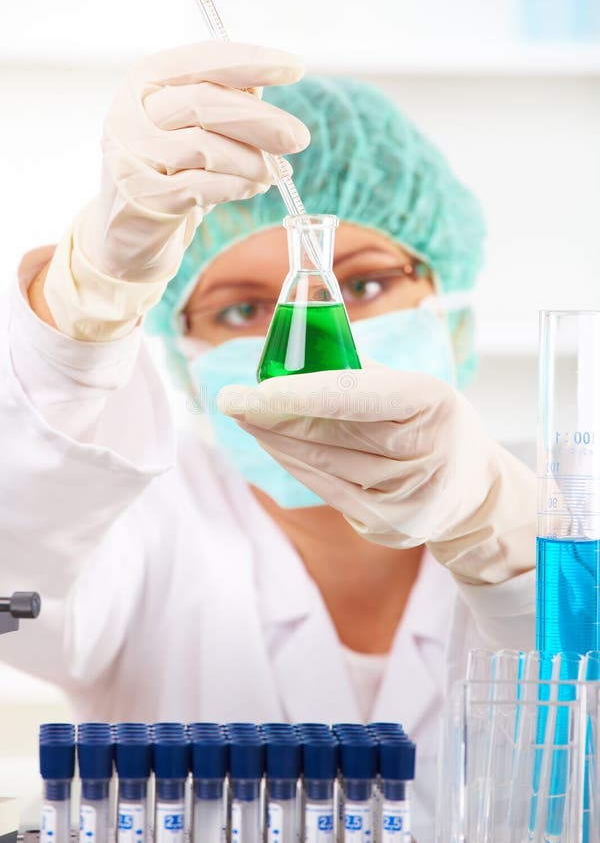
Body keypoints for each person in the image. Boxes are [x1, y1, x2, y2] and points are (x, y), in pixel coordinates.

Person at [0, 41, 536, 840]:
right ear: (184, 357)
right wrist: (85, 303)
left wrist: (514, 555)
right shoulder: (133, 518)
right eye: (241, 308)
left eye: (361, 283)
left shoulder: (544, 509)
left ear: (444, 300)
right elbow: (20, 552)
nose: (328, 346)